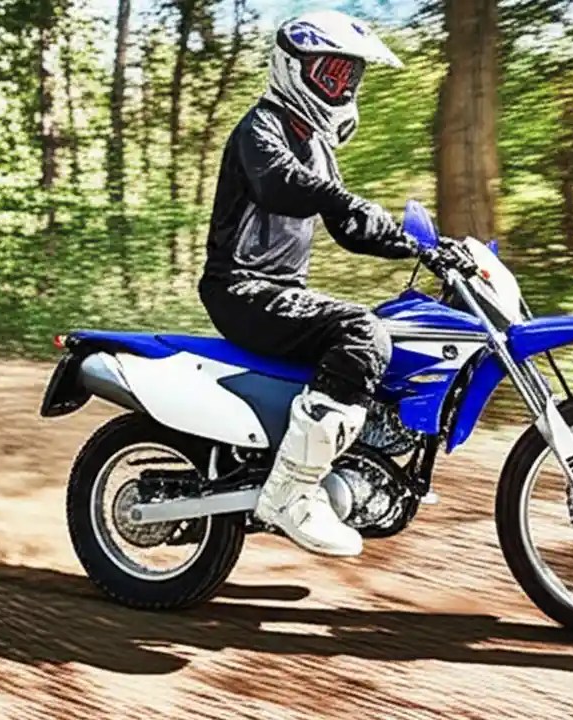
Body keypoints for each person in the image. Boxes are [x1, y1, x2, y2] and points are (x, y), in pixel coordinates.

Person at [198, 10, 420, 558]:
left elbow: (350, 228)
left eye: (349, 77)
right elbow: (280, 185)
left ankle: (357, 452)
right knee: (361, 332)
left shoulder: (317, 146)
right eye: (331, 75)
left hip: (279, 291)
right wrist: (341, 198)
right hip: (242, 289)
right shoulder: (261, 127)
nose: (342, 87)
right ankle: (291, 493)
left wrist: (423, 247)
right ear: (293, 67)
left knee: (396, 326)